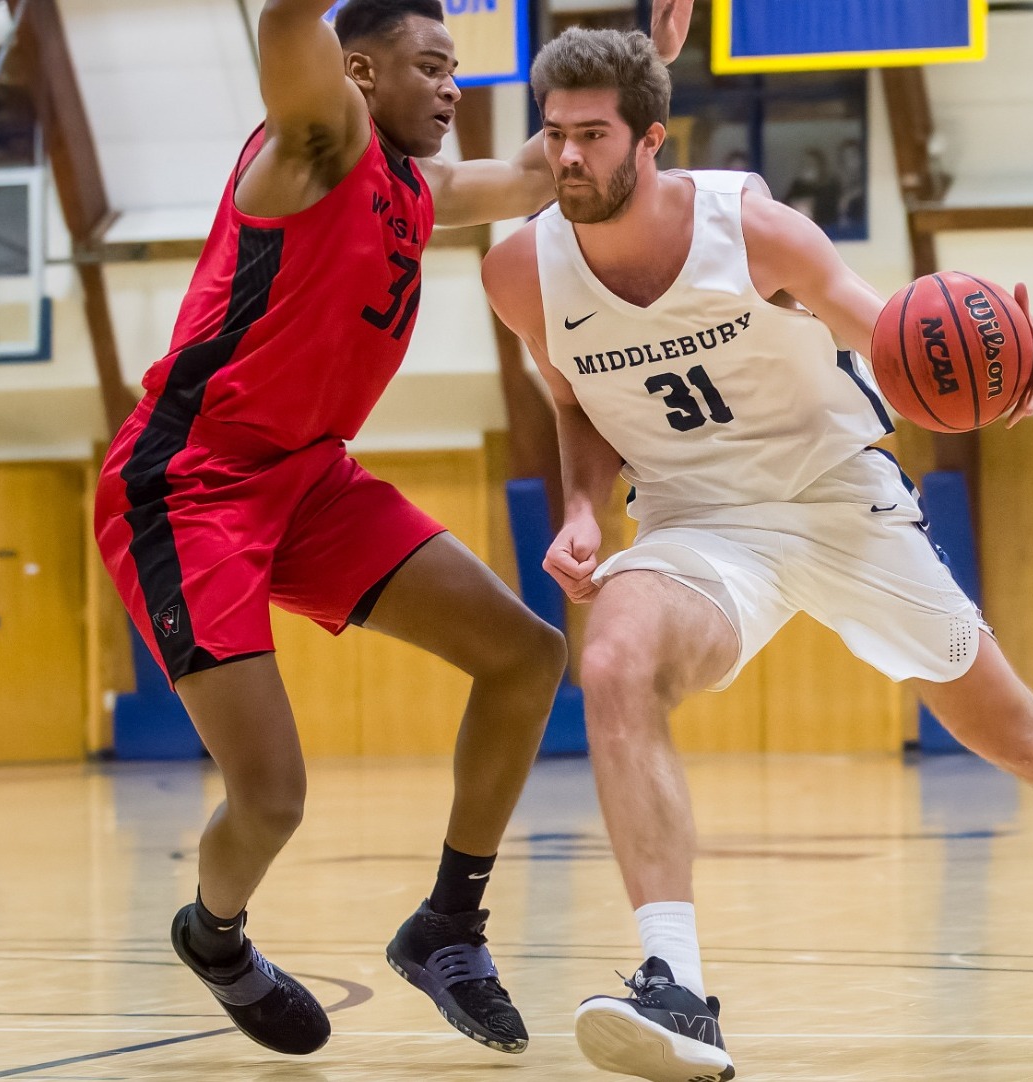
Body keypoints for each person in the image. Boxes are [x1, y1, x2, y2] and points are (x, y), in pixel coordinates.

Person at [482, 27, 1033, 1082]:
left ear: (650, 140)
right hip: (697, 524)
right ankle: (675, 986)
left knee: (1017, 735)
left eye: (591, 136)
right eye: (553, 135)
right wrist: (577, 505)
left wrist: (1001, 367)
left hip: (837, 498)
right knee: (609, 658)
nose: (566, 157)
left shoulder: (748, 229)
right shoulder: (521, 270)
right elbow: (574, 401)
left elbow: (887, 330)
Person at [94, 0, 691, 1060]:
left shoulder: (419, 189)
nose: (451, 85)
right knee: (272, 795)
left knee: (526, 653)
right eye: (429, 65)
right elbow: (286, 24)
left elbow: (536, 171)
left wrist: (641, 69)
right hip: (188, 487)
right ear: (356, 73)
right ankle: (214, 933)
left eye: (455, 66)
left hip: (308, 481)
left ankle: (447, 925)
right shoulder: (317, 141)